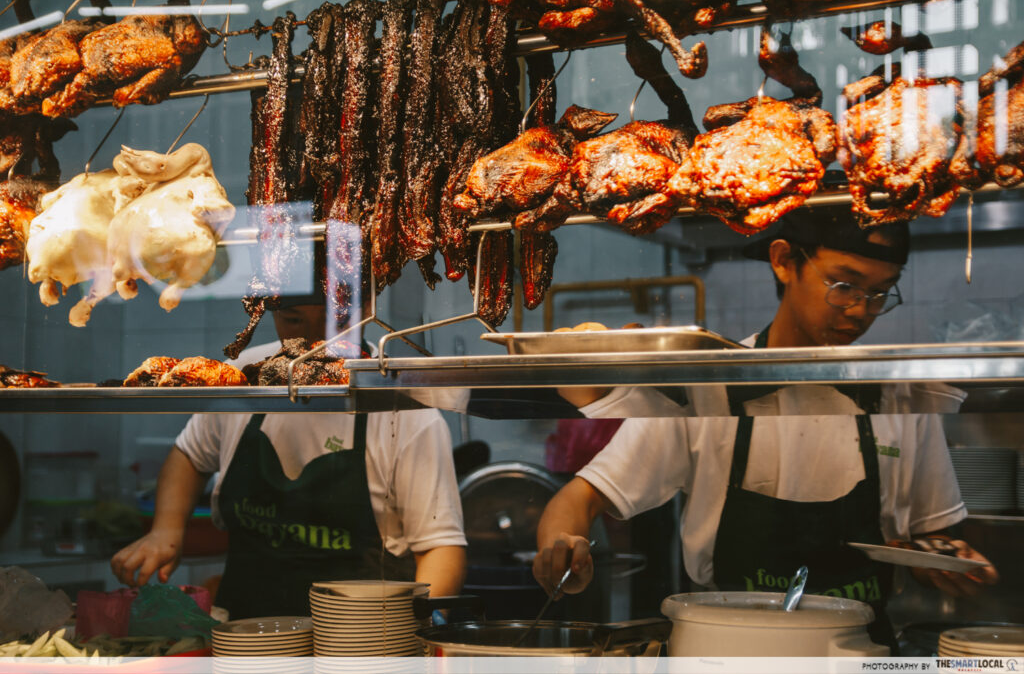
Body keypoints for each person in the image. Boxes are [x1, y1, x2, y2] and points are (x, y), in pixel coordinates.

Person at [534, 209, 999, 651]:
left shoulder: (900, 398)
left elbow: (933, 535)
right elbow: (579, 499)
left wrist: (943, 561)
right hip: (729, 647)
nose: (861, 310)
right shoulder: (712, 390)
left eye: (880, 292)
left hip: (857, 650)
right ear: (783, 261)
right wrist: (563, 550)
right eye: (844, 285)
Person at [111, 295, 467, 619]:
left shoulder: (400, 403)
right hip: (247, 633)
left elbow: (440, 547)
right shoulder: (247, 375)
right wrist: (166, 530)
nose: (314, 341)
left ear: (365, 311)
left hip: (360, 639)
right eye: (294, 321)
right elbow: (190, 455)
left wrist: (420, 627)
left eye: (333, 321)